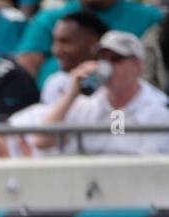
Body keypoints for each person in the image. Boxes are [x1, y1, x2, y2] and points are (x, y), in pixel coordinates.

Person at [14, 0, 163, 79]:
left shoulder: (150, 18)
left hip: (126, 106)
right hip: (56, 103)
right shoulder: (48, 19)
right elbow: (26, 68)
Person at [28, 29, 169, 153]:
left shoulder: (158, 107)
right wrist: (71, 95)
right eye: (102, 59)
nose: (107, 66)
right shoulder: (86, 102)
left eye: (115, 59)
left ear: (138, 65)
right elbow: (41, 141)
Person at [39, 10, 108, 102]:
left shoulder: (117, 84)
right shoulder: (54, 83)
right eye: (54, 41)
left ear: (94, 44)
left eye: (65, 42)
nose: (55, 50)